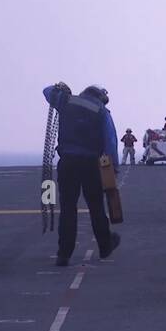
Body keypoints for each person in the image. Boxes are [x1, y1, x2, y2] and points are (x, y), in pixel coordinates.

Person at [43, 83, 121, 267]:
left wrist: (58, 87)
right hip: (90, 165)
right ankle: (104, 245)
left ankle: (64, 253)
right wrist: (114, 169)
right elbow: (110, 142)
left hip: (67, 163)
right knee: (96, 207)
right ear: (101, 97)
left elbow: (46, 91)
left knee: (68, 208)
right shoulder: (101, 112)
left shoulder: (66, 101)